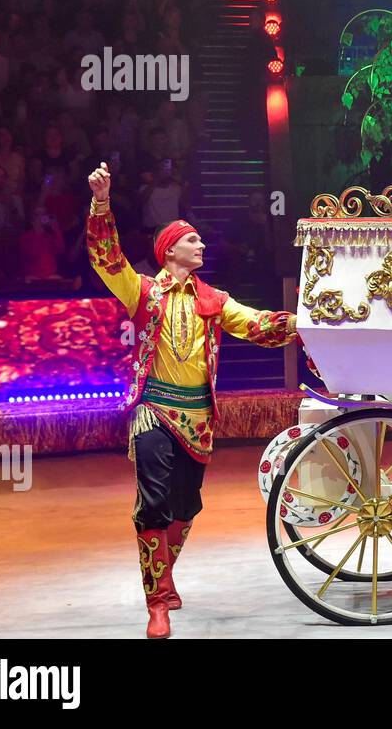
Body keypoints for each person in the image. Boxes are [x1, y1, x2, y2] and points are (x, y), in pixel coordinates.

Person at [86, 162, 299, 639]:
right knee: (154, 505)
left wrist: (306, 323)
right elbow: (107, 259)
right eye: (192, 240)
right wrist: (102, 203)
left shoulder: (214, 299)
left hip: (199, 418)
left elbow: (258, 324)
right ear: (169, 251)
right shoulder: (142, 291)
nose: (201, 245)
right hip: (154, 410)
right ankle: (157, 602)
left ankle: (163, 573)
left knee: (187, 506)